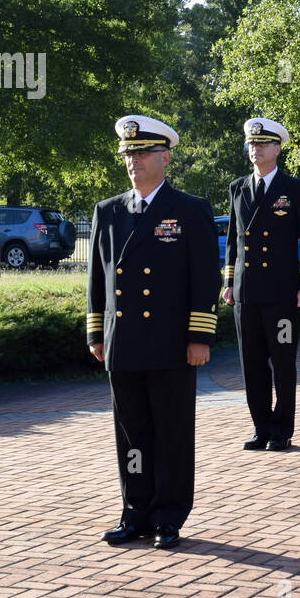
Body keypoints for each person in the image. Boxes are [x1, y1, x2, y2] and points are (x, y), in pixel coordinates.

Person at [87, 115, 219, 550]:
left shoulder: (189, 209)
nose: (133, 161)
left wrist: (200, 336)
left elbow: (204, 276)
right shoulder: (107, 211)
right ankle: (135, 512)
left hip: (170, 342)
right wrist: (96, 332)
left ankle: (168, 516)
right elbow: (97, 279)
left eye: (142, 153)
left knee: (171, 431)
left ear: (165, 156)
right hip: (123, 343)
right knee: (131, 433)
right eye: (128, 153)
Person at [222, 118, 300, 451]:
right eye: (251, 143)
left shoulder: (294, 189)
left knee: (282, 362)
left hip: (281, 293)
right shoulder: (238, 187)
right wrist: (230, 282)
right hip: (247, 293)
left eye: (262, 143)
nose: (255, 149)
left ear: (278, 148)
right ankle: (261, 426)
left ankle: (282, 429)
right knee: (252, 364)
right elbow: (235, 241)